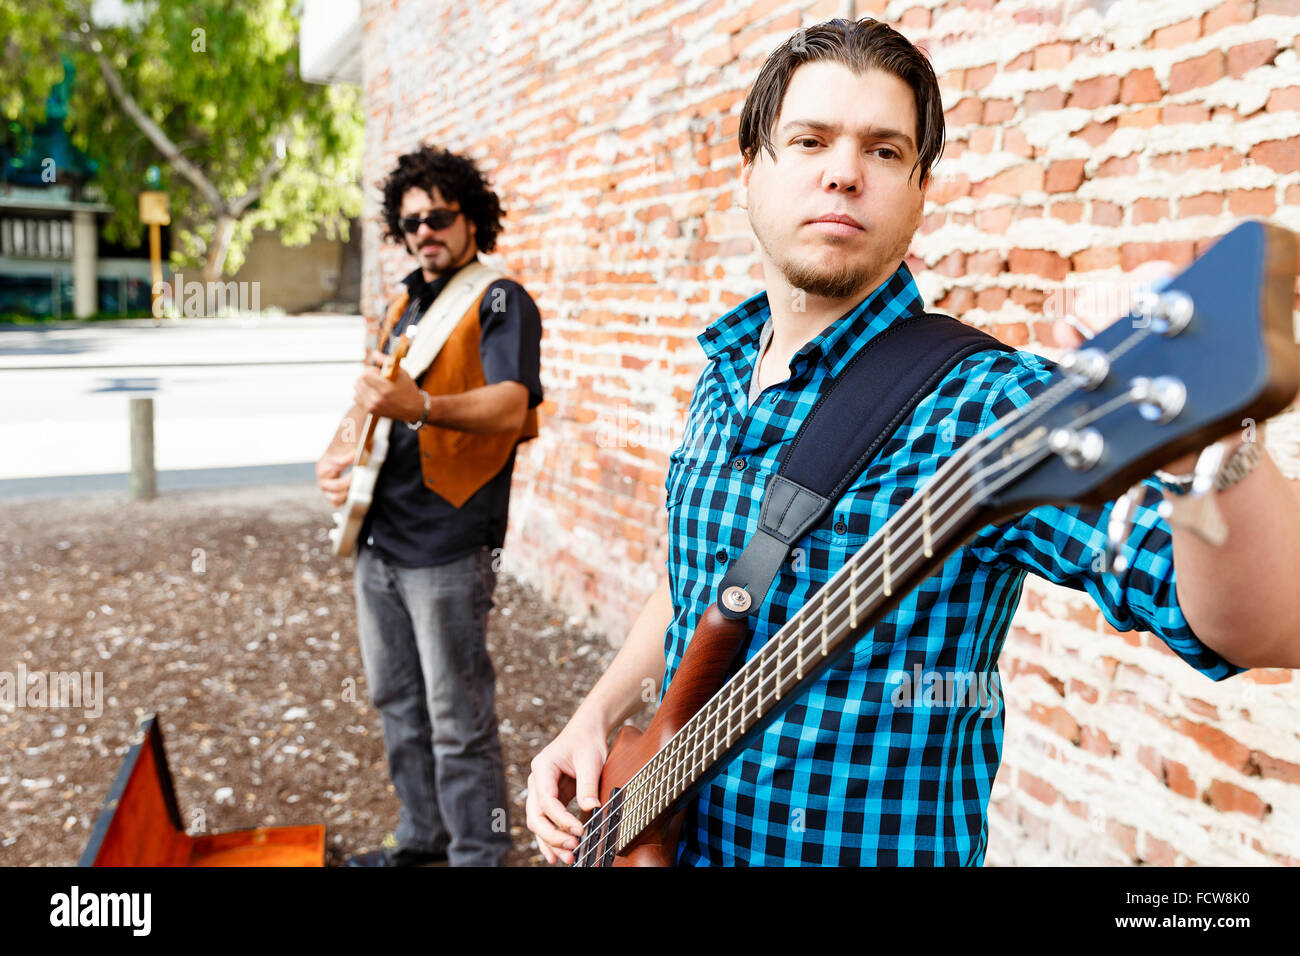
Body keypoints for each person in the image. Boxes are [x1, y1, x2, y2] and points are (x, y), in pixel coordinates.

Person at [526, 17, 1300, 866]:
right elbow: (697, 587)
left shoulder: (986, 405)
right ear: (753, 169)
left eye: (885, 151)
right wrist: (595, 719)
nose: (845, 173)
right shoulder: (724, 372)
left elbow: (1271, 629)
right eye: (811, 139)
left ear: (920, 190)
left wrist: (1218, 453)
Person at [317, 144, 543, 866]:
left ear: (473, 217)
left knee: (458, 722)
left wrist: (423, 406)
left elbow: (511, 407)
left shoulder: (501, 298)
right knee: (396, 706)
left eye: (440, 215)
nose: (425, 230)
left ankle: (479, 855)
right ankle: (422, 843)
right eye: (411, 221)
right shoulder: (404, 301)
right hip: (379, 539)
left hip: (449, 542)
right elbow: (375, 398)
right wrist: (339, 452)